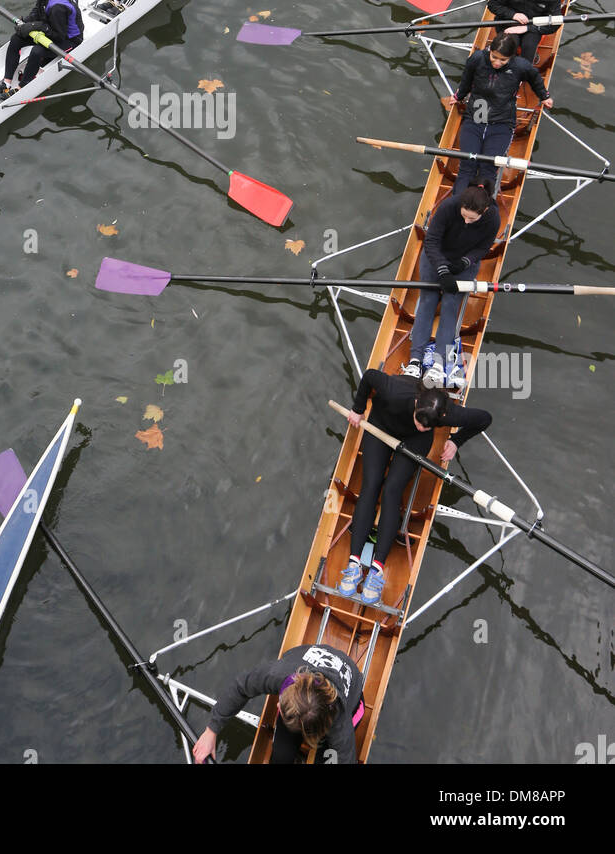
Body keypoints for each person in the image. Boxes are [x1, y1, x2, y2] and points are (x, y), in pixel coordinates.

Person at [338, 375, 492, 605]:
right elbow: (369, 375)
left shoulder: (448, 413)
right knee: (370, 485)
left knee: (392, 490)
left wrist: (457, 440)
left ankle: (377, 570)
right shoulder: (395, 391)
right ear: (417, 402)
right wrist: (358, 409)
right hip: (381, 424)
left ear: (441, 418)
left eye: (427, 425)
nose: (421, 425)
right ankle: (354, 564)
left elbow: (484, 419)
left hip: (414, 441)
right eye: (419, 420)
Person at [193, 643, 364, 765]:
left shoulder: (340, 725)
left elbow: (345, 760)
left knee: (324, 758)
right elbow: (241, 687)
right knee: (281, 757)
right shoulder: (278, 674)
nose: (277, 706)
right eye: (282, 702)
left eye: (281, 708)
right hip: (301, 666)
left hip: (350, 701)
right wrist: (211, 731)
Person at [404, 183, 501, 389]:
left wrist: (464, 263)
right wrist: (442, 270)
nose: (467, 221)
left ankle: (439, 364)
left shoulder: (493, 218)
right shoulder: (449, 206)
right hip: (434, 258)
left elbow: (483, 248)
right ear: (461, 205)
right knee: (428, 300)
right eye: (464, 215)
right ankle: (415, 361)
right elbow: (430, 241)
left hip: (464, 264)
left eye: (472, 219)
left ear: (484, 211)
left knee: (450, 305)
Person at [449, 33, 552, 195]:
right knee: (468, 166)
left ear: (511, 57)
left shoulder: (521, 66)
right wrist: (458, 96)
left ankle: (481, 208)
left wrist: (544, 96)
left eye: (503, 60)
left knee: (487, 168)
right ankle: (457, 206)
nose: (497, 63)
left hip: (502, 122)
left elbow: (535, 79)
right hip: (476, 115)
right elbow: (466, 79)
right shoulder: (477, 59)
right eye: (494, 57)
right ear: (490, 50)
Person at [0, 0, 84, 98]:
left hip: (70, 39)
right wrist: (25, 22)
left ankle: (22, 88)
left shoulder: (57, 7)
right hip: (53, 26)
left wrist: (35, 26)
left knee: (37, 51)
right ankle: (6, 84)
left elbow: (59, 36)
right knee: (16, 39)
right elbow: (38, 10)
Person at [488, 0, 562, 62]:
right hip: (507, 23)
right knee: (508, 46)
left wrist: (527, 28)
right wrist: (513, 14)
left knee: (529, 47)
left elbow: (554, 24)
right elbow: (492, 4)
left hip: (533, 25)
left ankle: (524, 71)